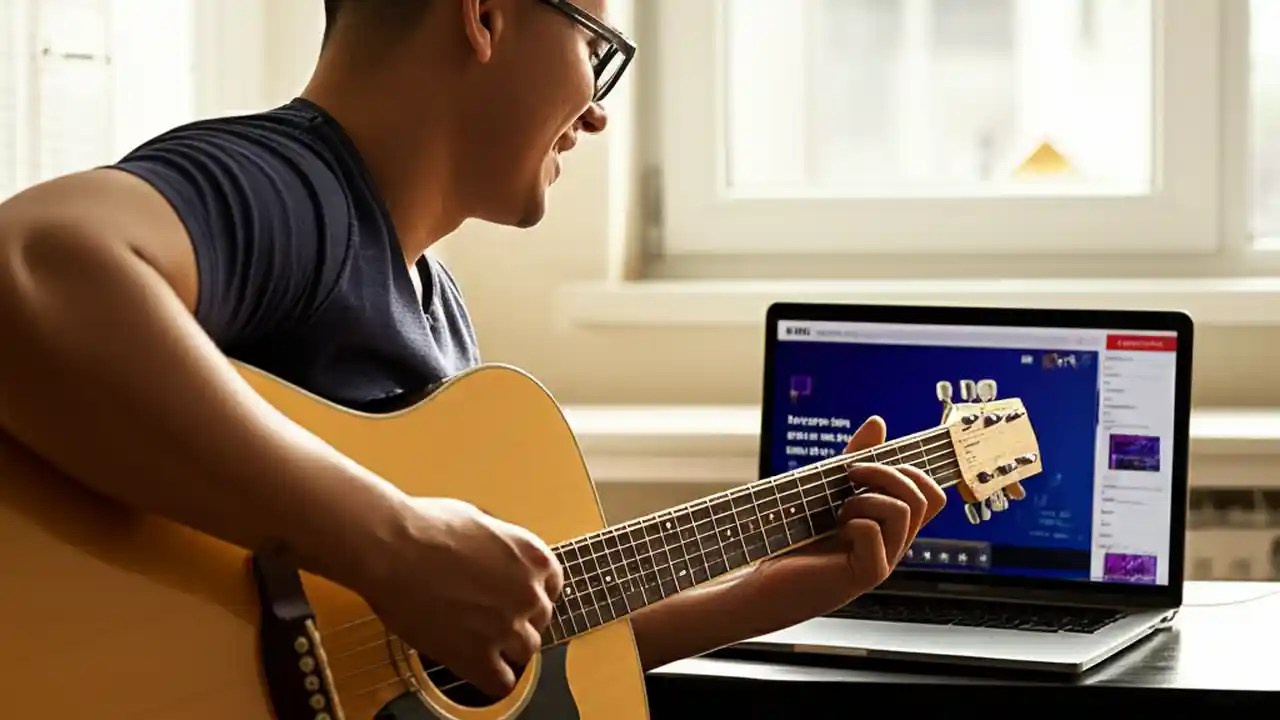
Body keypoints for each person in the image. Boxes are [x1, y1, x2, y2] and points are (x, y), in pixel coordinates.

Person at [0, 0, 946, 709]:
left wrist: (759, 595)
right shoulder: (293, 192)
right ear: (485, 16)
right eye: (596, 50)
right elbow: (31, 261)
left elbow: (454, 650)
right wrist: (393, 539)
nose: (598, 113)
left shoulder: (436, 307)